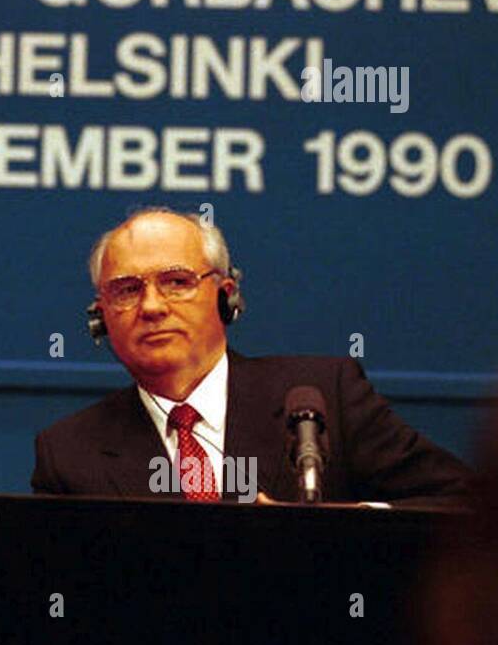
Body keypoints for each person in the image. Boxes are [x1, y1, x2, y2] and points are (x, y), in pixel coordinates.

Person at [31, 207, 473, 506]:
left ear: (226, 298)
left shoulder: (323, 396)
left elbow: (462, 503)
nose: (151, 307)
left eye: (176, 281)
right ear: (100, 318)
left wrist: (352, 525)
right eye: (127, 290)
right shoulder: (69, 454)